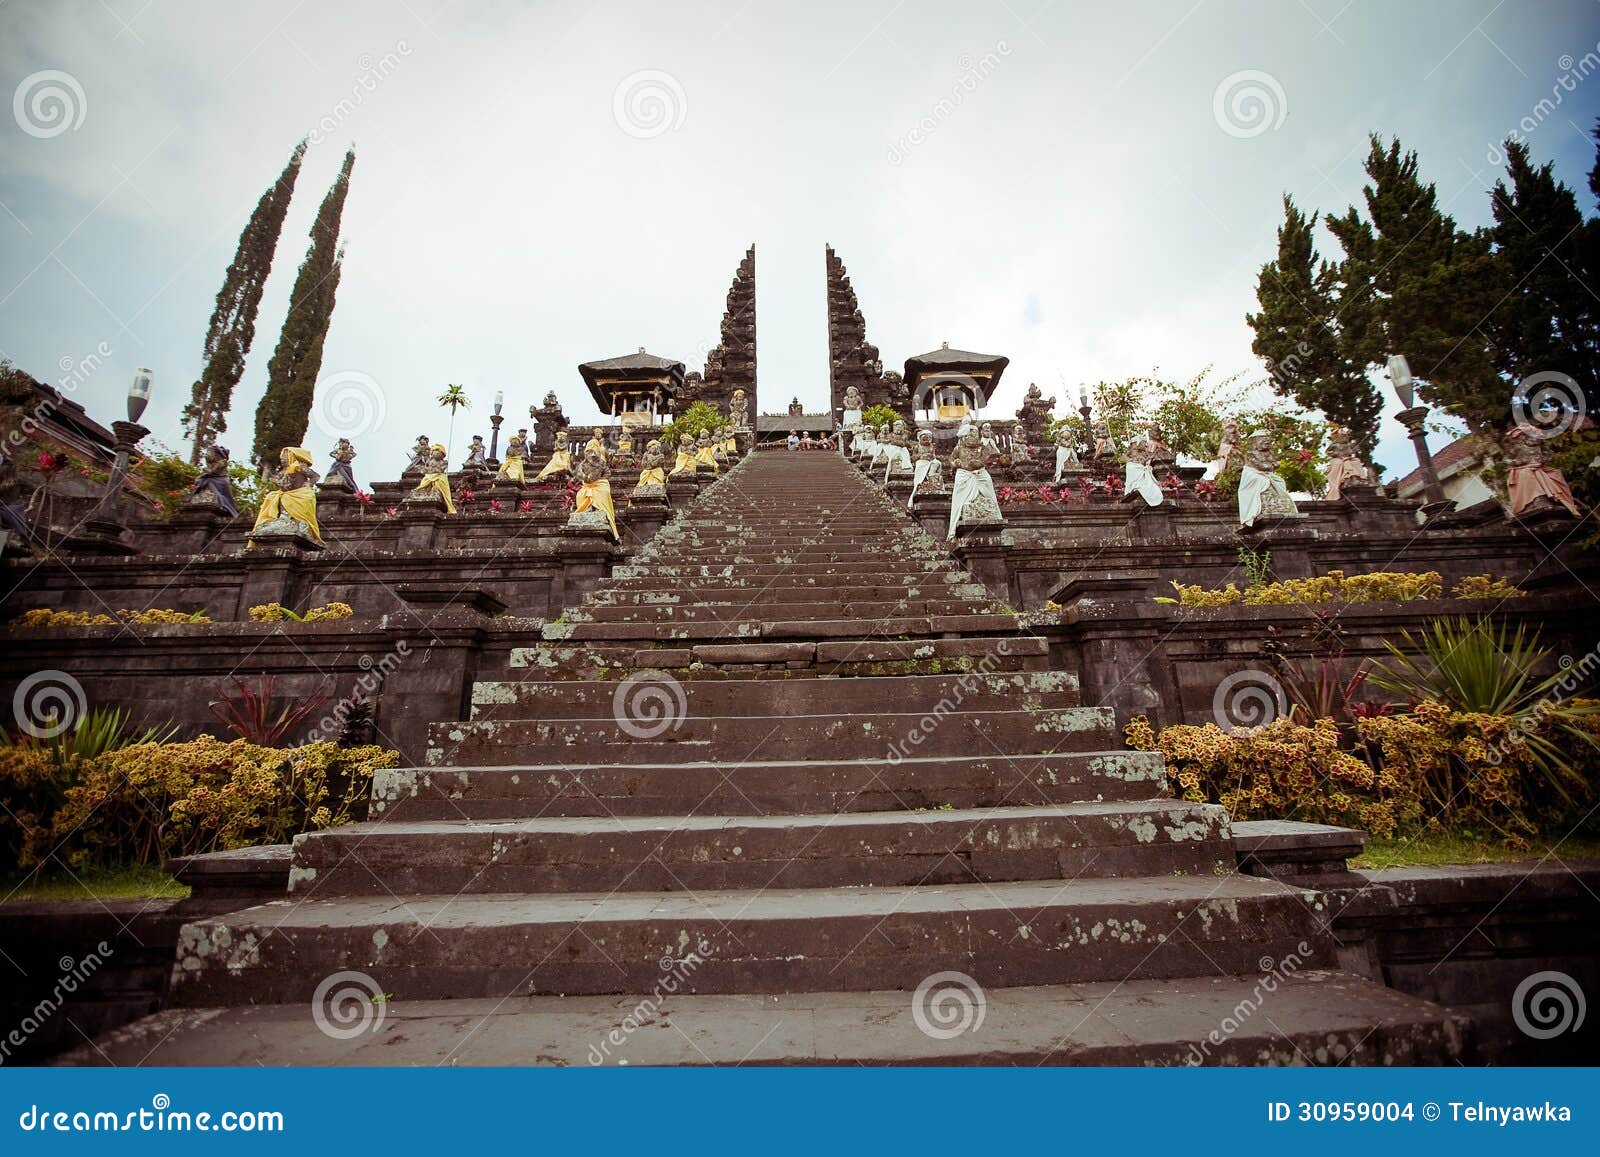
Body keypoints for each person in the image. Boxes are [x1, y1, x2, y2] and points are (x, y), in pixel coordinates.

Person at [1504, 423, 1580, 517]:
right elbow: (1506, 460)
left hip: (1539, 467)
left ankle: (1555, 498)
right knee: (1527, 475)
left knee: (1555, 474)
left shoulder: (1539, 446)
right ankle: (1537, 499)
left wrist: (1542, 459)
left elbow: (1549, 454)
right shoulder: (1518, 447)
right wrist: (1518, 462)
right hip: (1524, 468)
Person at [252, 446, 323, 543]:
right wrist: (272, 477)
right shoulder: (283, 471)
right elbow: (282, 483)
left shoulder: (299, 466)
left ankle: (294, 520)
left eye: (285, 456)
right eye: (281, 457)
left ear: (292, 456)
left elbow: (316, 476)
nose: (282, 459)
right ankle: (281, 518)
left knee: (287, 498)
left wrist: (308, 484)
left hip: (300, 494)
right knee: (272, 497)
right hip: (286, 493)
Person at [947, 425, 1002, 541]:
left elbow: (987, 457)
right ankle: (956, 523)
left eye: (975, 434)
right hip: (964, 474)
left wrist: (979, 463)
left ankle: (991, 510)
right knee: (960, 497)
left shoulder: (982, 447)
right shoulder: (959, 447)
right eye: (970, 435)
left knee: (987, 480)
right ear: (965, 436)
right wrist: (955, 463)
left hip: (980, 473)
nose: (972, 437)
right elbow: (951, 459)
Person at [572, 445, 618, 539]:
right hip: (587, 485)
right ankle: (587, 508)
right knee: (580, 495)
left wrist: (601, 479)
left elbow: (607, 473)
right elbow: (578, 473)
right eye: (589, 452)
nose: (592, 455)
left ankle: (598, 509)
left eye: (594, 452)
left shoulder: (601, 463)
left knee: (603, 493)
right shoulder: (582, 464)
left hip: (598, 484)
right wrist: (584, 476)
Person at [1121, 423, 1166, 507]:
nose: (1145, 445)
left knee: (1148, 485)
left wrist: (1150, 459)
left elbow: (1147, 459)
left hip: (1140, 468)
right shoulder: (1132, 452)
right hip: (1133, 467)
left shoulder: (1145, 451)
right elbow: (1126, 458)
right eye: (1143, 443)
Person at [189, 444, 239, 517]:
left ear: (216, 454)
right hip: (211, 478)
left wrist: (206, 472)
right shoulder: (211, 461)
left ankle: (225, 505)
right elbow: (209, 471)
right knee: (202, 481)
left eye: (210, 452)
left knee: (215, 489)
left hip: (220, 480)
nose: (207, 455)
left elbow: (212, 472)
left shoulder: (222, 462)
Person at [1323, 425, 1371, 501]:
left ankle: (1359, 478)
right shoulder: (1334, 444)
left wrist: (1353, 451)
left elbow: (1350, 452)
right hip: (1337, 459)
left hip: (1347, 458)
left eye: (1345, 436)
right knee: (1339, 463)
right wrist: (1335, 453)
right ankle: (1341, 482)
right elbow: (1327, 452)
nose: (1345, 437)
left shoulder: (1348, 445)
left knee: (1356, 461)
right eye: (1343, 436)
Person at [411, 444, 457, 513]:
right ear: (431, 453)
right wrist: (423, 469)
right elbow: (427, 469)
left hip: (439, 476)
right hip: (429, 476)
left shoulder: (443, 462)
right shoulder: (429, 461)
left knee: (440, 483)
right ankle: (423, 490)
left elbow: (440, 469)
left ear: (442, 455)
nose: (437, 453)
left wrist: (437, 469)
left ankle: (438, 492)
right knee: (424, 482)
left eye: (439, 451)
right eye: (435, 451)